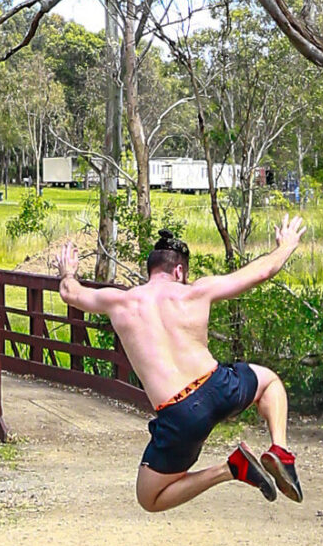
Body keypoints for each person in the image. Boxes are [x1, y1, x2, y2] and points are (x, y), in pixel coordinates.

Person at [55, 220, 306, 513]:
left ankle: (231, 469)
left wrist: (68, 272)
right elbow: (262, 271)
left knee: (150, 498)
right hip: (217, 385)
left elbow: (70, 293)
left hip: (179, 413)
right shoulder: (196, 291)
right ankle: (280, 450)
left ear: (151, 270)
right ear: (179, 271)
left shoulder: (119, 302)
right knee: (270, 382)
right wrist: (286, 245)